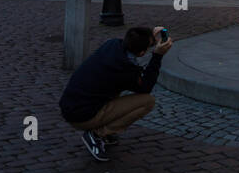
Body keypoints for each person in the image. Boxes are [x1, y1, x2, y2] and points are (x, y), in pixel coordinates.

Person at [59, 24, 173, 162]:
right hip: (83, 117)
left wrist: (148, 39)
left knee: (114, 90)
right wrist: (157, 56)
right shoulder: (125, 70)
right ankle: (97, 134)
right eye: (148, 46)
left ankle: (101, 131)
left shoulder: (112, 45)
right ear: (142, 52)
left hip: (70, 106)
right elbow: (146, 87)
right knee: (147, 101)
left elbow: (134, 45)